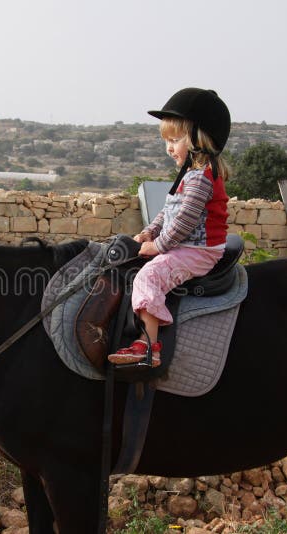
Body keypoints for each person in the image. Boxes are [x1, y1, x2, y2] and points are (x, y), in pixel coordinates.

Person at [108, 88, 231, 367]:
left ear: (200, 139)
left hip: (199, 250)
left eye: (175, 140)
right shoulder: (189, 174)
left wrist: (159, 245)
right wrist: (149, 231)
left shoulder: (201, 179)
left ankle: (148, 346)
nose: (169, 147)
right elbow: (168, 211)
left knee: (149, 277)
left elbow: (185, 221)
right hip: (186, 245)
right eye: (167, 140)